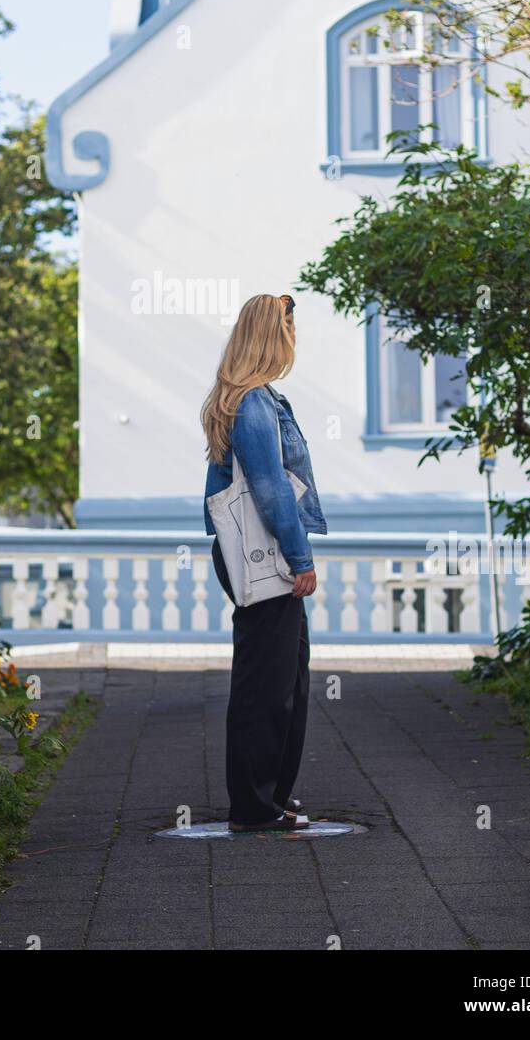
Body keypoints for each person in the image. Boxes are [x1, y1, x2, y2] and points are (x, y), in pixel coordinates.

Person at [201, 293, 326, 832]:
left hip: (260, 553)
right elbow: (271, 489)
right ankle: (253, 807)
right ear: (271, 336)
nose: (295, 337)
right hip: (266, 554)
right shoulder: (254, 403)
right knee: (266, 685)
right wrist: (300, 557)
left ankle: (271, 795)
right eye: (289, 327)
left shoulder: (257, 399)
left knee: (286, 678)